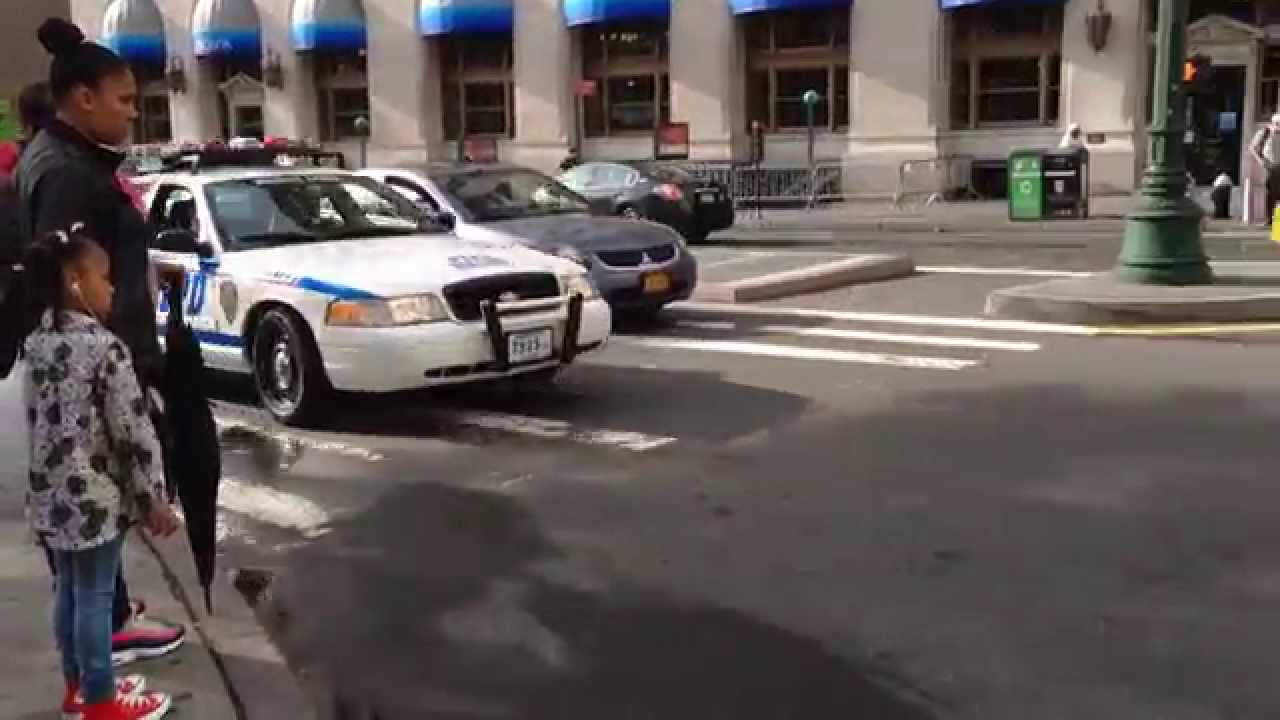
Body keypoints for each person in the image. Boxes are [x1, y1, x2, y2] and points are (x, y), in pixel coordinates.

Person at [15, 18, 186, 669]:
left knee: (84, 522)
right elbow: (70, 271)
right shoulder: (67, 174)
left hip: (88, 362)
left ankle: (104, 619)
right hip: (95, 371)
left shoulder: (70, 160)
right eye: (124, 100)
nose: (132, 113)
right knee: (93, 517)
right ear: (83, 98)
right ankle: (104, 639)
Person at [21, 227, 177, 719]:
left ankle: (79, 689)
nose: (111, 289)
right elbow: (130, 431)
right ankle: (103, 703)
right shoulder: (104, 348)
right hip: (92, 498)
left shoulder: (40, 340)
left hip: (50, 495)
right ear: (75, 281)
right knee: (94, 598)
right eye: (103, 279)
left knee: (67, 591)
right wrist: (152, 496)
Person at [1250, 112, 1280, 226]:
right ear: (1272, 123)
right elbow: (1252, 148)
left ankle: (1277, 220)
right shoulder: (1264, 132)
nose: (1278, 127)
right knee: (1271, 193)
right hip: (1270, 167)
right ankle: (1270, 220)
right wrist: (1260, 161)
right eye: (1277, 124)